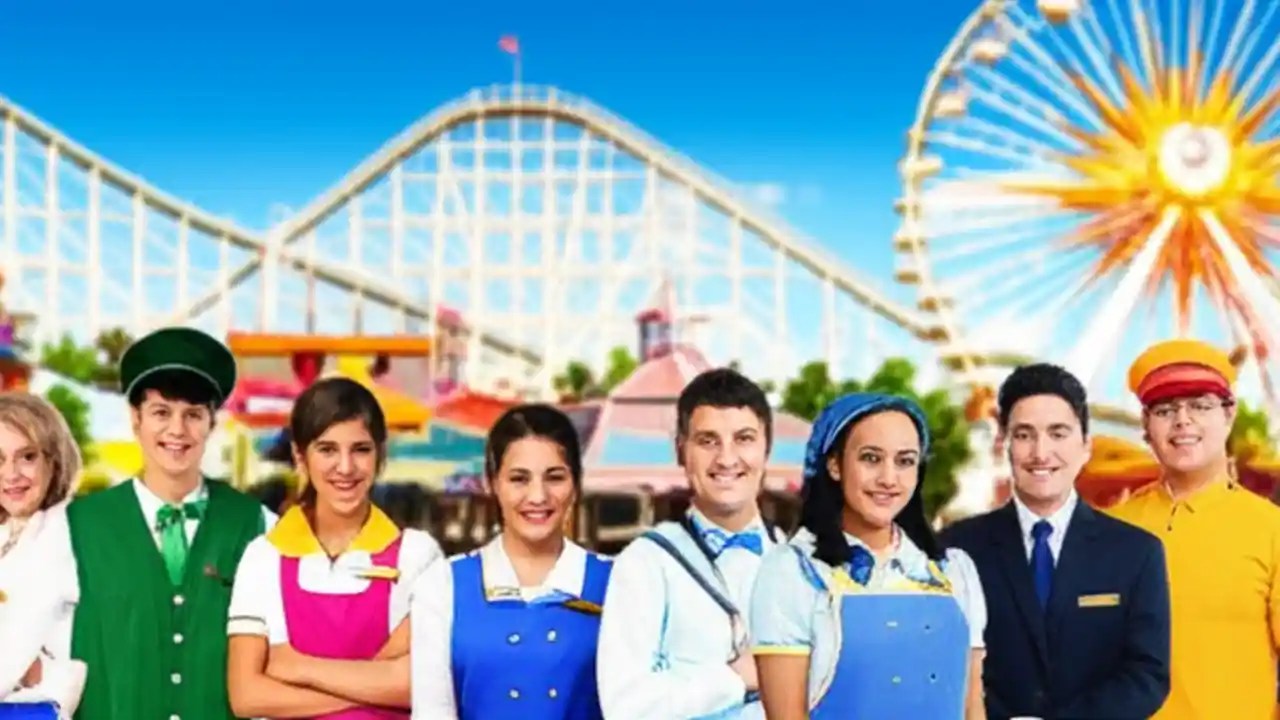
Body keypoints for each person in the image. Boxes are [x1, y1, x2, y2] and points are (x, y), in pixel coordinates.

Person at [67, 327, 277, 720]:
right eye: (161, 413)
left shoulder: (259, 526)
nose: (177, 431)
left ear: (212, 423)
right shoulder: (73, 527)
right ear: (135, 419)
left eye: (193, 415)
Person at [942, 364, 1171, 719]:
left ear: (1085, 446)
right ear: (1004, 445)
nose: (1040, 452)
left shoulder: (1136, 552)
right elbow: (945, 660)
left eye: (1058, 433)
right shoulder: (957, 549)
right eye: (1024, 434)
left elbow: (1147, 675)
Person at [749, 392, 987, 719]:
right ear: (834, 464)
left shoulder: (955, 571)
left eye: (905, 461)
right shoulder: (793, 572)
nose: (888, 479)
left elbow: (972, 707)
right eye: (871, 458)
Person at [227, 377, 441, 717]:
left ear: (380, 454)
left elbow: (425, 683)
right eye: (327, 449)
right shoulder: (264, 557)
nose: (345, 467)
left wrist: (300, 668)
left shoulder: (416, 556)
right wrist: (374, 686)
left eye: (361, 449)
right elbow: (247, 696)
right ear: (300, 456)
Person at [1107, 339, 1280, 719]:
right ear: (1146, 427)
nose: (1183, 420)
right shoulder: (1110, 531)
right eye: (1165, 409)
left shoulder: (1270, 530)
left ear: (1228, 415)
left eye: (1200, 406)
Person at [597, 368, 780, 720]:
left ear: (766, 448)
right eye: (708, 441)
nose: (727, 459)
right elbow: (624, 709)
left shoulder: (798, 560)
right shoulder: (646, 563)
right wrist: (734, 679)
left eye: (744, 438)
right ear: (681, 451)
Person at [409, 403, 610, 720]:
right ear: (492, 483)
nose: (538, 497)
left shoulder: (617, 583)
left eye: (554, 478)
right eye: (519, 479)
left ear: (576, 484)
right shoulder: (443, 585)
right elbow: (432, 712)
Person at [0, 393, 86, 719]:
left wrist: (34, 669)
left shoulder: (65, 534)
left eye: (27, 457)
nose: (11, 474)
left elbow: (16, 642)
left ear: (55, 460)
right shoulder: (9, 530)